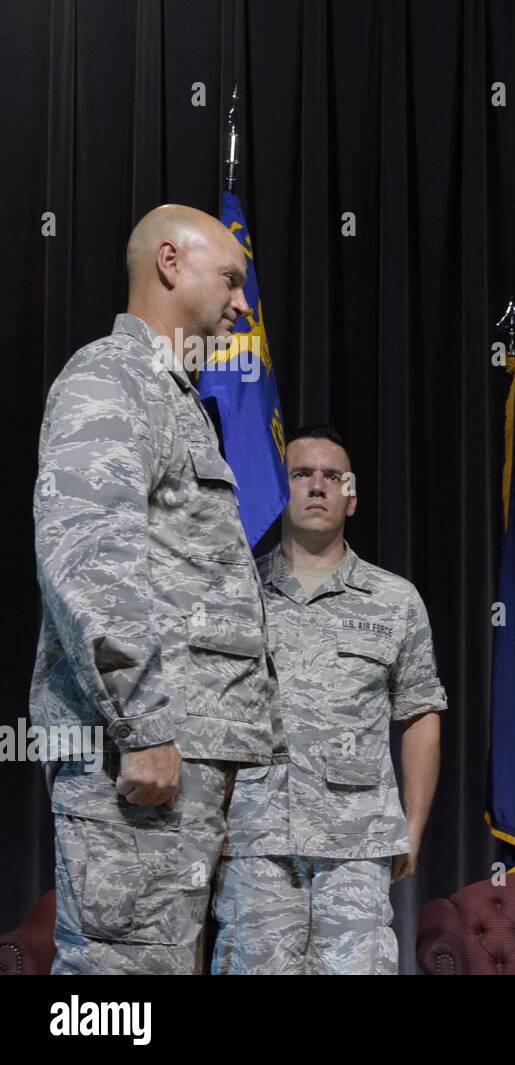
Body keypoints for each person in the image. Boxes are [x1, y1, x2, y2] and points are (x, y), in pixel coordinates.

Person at [32, 204, 278, 974]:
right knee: (121, 986)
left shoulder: (178, 400)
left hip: (191, 757)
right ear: (170, 262)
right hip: (138, 758)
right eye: (231, 279)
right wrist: (143, 724)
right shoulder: (112, 376)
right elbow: (87, 554)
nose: (243, 304)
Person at [210, 425, 445, 974]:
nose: (317, 487)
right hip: (254, 842)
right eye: (300, 475)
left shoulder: (395, 599)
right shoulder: (235, 595)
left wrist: (411, 827)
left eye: (331, 477)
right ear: (278, 487)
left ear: (351, 495)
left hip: (357, 848)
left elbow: (419, 713)